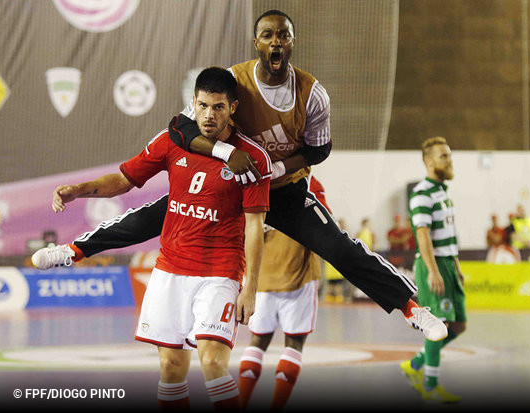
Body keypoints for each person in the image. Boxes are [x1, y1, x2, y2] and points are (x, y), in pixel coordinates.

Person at [32, 10, 446, 342]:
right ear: (257, 42)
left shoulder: (312, 93)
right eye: (268, 35)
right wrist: (229, 153)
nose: (276, 42)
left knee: (340, 248)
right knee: (145, 218)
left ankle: (414, 309)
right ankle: (73, 251)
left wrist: (272, 166)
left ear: (292, 42)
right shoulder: (235, 83)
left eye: (283, 35)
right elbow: (182, 128)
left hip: (282, 190)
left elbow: (319, 149)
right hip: (225, 186)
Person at [39, 68, 273, 410]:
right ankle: (73, 250)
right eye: (204, 105)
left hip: (219, 271)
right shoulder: (172, 141)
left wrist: (250, 288)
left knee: (212, 362)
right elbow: (124, 178)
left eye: (219, 107)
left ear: (233, 107)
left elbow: (255, 226)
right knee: (170, 367)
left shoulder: (252, 158)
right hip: (171, 269)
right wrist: (79, 190)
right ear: (193, 102)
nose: (210, 115)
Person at [238, 174, 327, 410]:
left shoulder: (255, 180)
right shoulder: (309, 182)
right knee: (294, 344)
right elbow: (324, 225)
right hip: (298, 273)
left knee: (257, 341)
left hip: (262, 276)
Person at [400, 136, 466, 403]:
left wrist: (456, 265)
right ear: (429, 163)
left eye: (449, 155)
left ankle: (414, 364)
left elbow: (448, 234)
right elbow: (423, 235)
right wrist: (433, 270)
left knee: (458, 326)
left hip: (449, 264)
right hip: (434, 265)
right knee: (438, 323)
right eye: (444, 156)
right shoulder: (422, 194)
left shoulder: (442, 193)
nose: (450, 160)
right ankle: (430, 385)